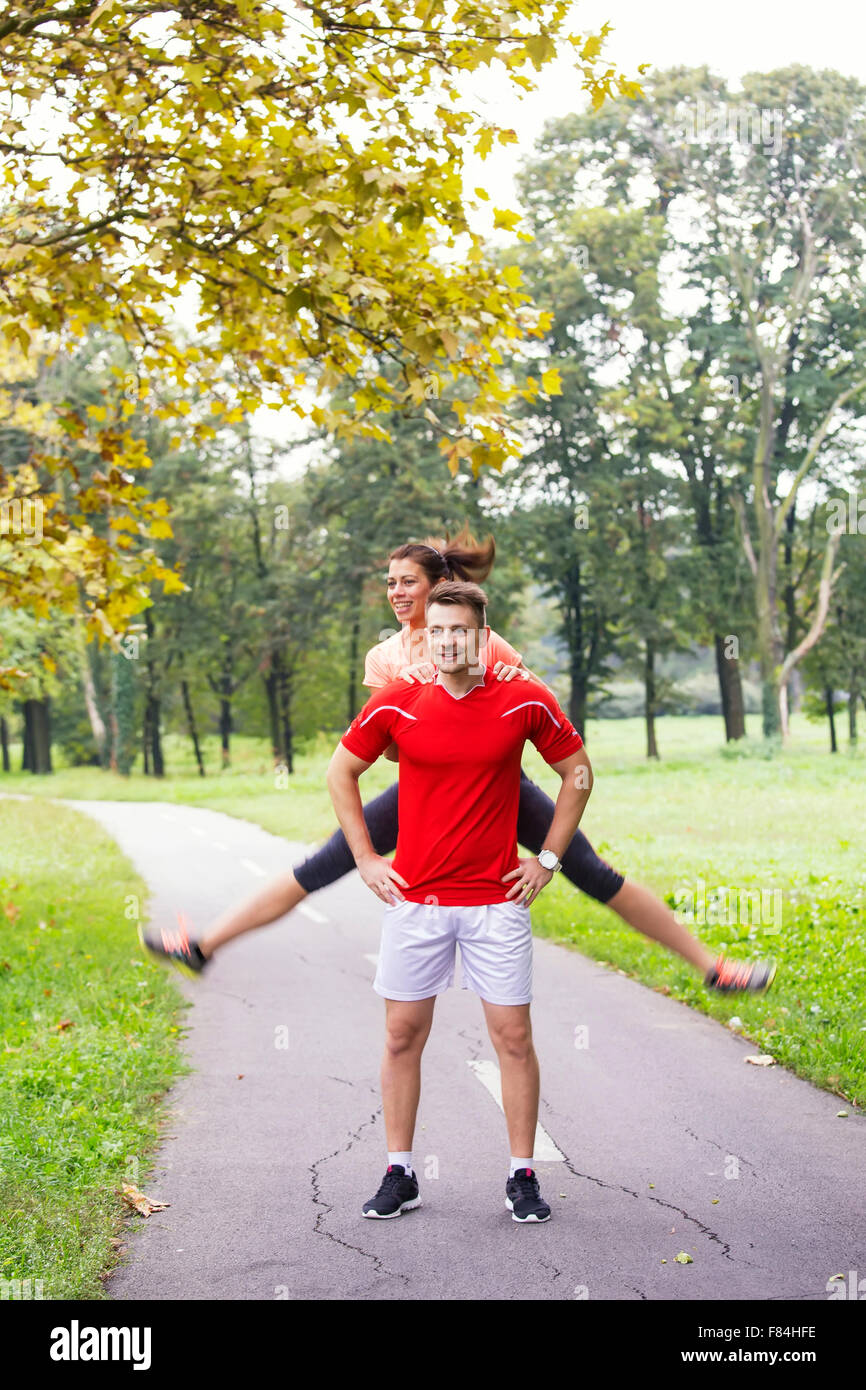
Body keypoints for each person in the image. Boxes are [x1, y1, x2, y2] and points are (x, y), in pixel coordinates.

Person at [140, 525, 775, 998]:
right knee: (323, 863)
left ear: (437, 589)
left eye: (406, 582)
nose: (395, 592)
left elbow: (523, 706)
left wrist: (478, 684)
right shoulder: (385, 659)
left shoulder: (479, 637)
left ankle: (713, 966)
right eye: (388, 583)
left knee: (591, 872)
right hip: (422, 792)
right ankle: (203, 946)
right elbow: (383, 745)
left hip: (502, 785)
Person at [327, 578, 592, 1221]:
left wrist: (548, 860)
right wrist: (366, 858)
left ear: (481, 633)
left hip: (497, 902)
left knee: (513, 1039)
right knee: (400, 1036)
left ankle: (522, 1176)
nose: (447, 641)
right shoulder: (398, 699)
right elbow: (341, 771)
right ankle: (400, 1173)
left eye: (459, 630)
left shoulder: (523, 698)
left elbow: (578, 774)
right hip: (415, 901)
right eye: (438, 630)